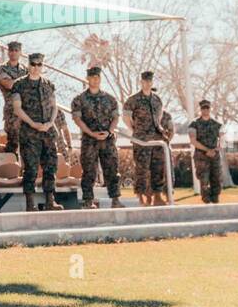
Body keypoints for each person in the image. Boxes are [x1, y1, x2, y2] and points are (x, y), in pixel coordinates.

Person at [11, 52, 63, 211]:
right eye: (33, 64)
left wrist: (50, 123)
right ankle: (30, 202)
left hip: (47, 132)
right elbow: (17, 108)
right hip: (29, 133)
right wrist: (33, 123)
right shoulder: (19, 84)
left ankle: (50, 200)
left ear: (42, 66)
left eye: (39, 65)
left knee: (50, 167)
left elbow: (54, 107)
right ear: (28, 65)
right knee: (31, 168)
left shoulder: (48, 84)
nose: (35, 67)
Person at [70, 65, 123, 209]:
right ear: (87, 78)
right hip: (89, 140)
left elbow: (115, 118)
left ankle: (115, 199)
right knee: (89, 171)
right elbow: (77, 119)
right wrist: (91, 133)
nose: (95, 79)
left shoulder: (110, 99)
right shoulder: (79, 99)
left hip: (107, 139)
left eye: (97, 77)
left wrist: (109, 132)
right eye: (92, 77)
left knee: (112, 169)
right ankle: (88, 201)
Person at [123, 71, 172, 206]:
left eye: (149, 81)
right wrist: (135, 130)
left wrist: (159, 129)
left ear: (152, 82)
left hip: (156, 137)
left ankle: (157, 196)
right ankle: (142, 197)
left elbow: (159, 116)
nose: (147, 83)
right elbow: (126, 117)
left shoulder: (157, 99)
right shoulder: (133, 99)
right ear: (141, 82)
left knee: (158, 168)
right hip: (141, 139)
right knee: (142, 169)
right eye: (145, 81)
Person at [0, 41, 27, 155]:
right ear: (8, 52)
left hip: (26, 110)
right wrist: (26, 84)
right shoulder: (2, 69)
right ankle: (11, 169)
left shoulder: (25, 70)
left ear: (20, 53)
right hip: (12, 110)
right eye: (11, 50)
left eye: (16, 50)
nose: (13, 53)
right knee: (13, 143)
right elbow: (9, 85)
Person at [188, 100, 224, 203]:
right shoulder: (194, 124)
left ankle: (216, 200)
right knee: (204, 180)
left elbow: (222, 140)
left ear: (210, 108)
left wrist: (215, 149)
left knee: (216, 179)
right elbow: (193, 141)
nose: (205, 110)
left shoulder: (217, 124)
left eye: (207, 108)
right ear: (200, 109)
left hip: (214, 156)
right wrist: (207, 150)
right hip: (201, 157)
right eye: (203, 108)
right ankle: (206, 201)